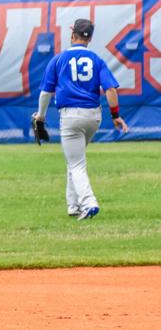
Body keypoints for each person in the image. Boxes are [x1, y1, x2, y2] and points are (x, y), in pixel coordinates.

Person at [33, 18, 129, 220]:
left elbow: (45, 93)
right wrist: (115, 115)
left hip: (70, 117)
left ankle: (89, 203)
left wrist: (40, 115)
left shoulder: (58, 60)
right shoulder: (96, 60)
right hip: (93, 117)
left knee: (76, 163)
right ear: (90, 38)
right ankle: (73, 205)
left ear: (72, 35)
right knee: (74, 159)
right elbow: (110, 90)